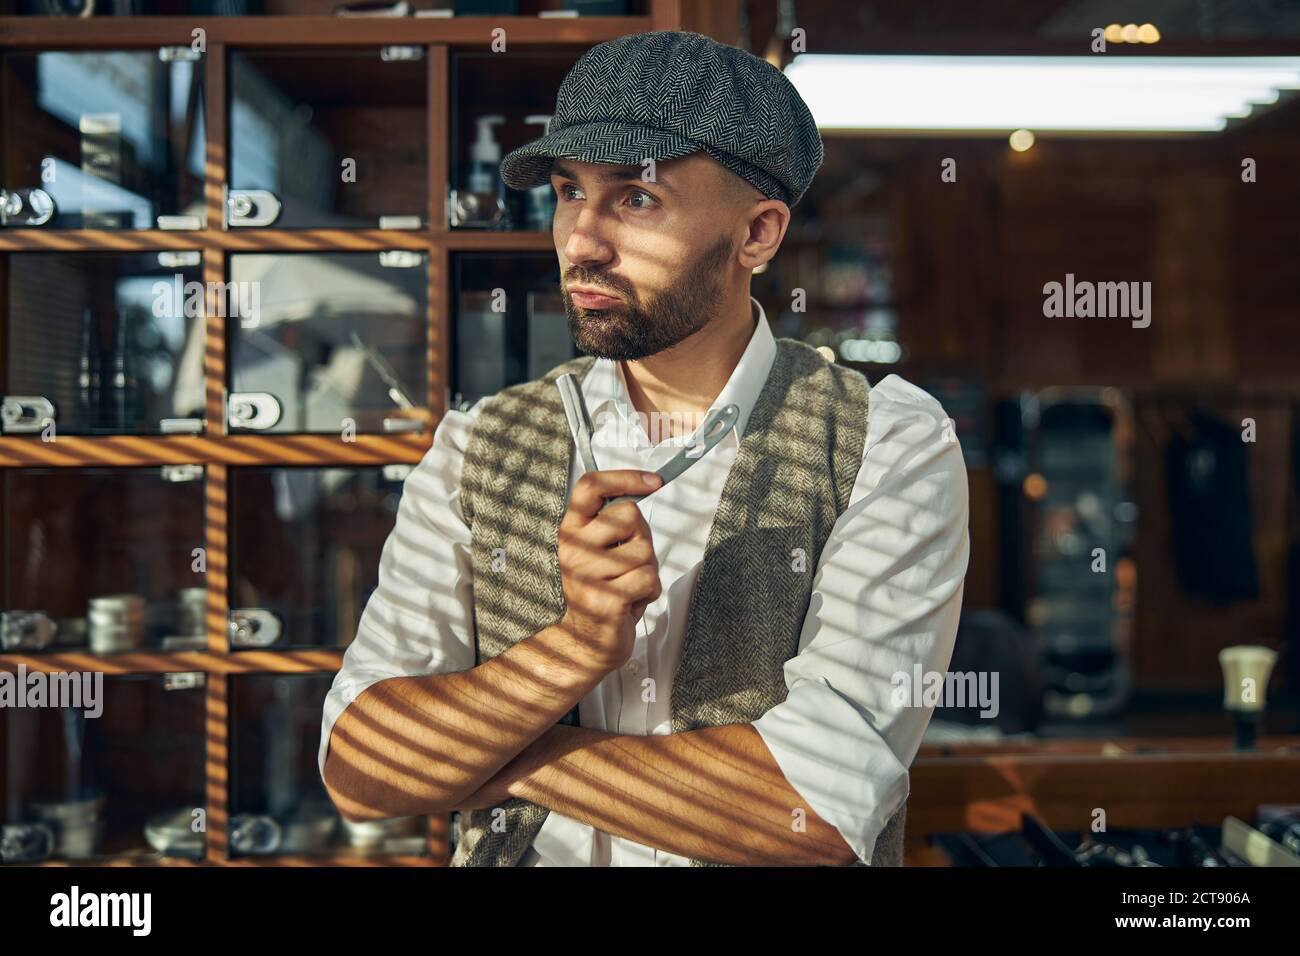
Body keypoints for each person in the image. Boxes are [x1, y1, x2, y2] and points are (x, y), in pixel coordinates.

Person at [319, 29, 969, 867]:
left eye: (636, 199)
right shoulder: (477, 443)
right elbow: (360, 773)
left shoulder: (888, 439)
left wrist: (500, 756)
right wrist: (575, 650)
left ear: (759, 235)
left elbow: (809, 817)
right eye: (567, 191)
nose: (580, 241)